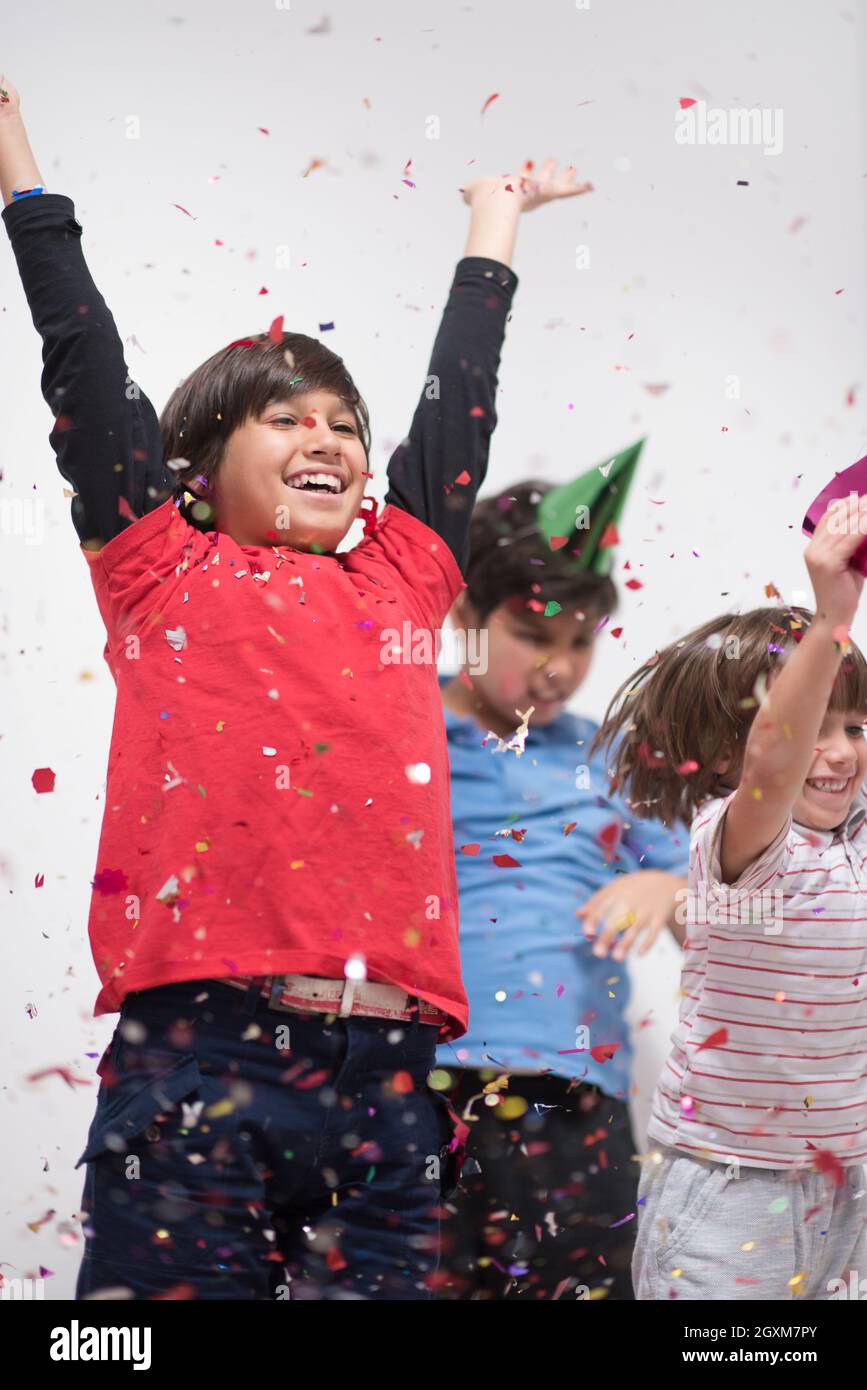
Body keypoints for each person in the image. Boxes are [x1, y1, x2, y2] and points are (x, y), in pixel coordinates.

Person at [0, 73, 589, 1299]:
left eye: (344, 423)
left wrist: (496, 222)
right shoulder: (160, 562)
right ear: (196, 470)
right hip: (199, 1058)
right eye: (284, 417)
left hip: (385, 1076)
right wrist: (19, 171)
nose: (326, 436)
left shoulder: (404, 576)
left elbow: (456, 416)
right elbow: (83, 358)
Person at [592, 490, 867, 1300]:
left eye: (854, 727)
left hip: (844, 1183)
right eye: (817, 723)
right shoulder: (735, 841)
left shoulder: (854, 840)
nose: (838, 752)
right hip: (731, 1188)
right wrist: (830, 621)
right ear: (718, 756)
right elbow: (772, 766)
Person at [434, 459, 689, 1300]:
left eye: (579, 641)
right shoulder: (403, 732)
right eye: (534, 636)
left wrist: (670, 890)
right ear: (465, 617)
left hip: (573, 1101)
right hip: (426, 1081)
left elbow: (723, 894)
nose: (559, 667)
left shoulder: (609, 758)